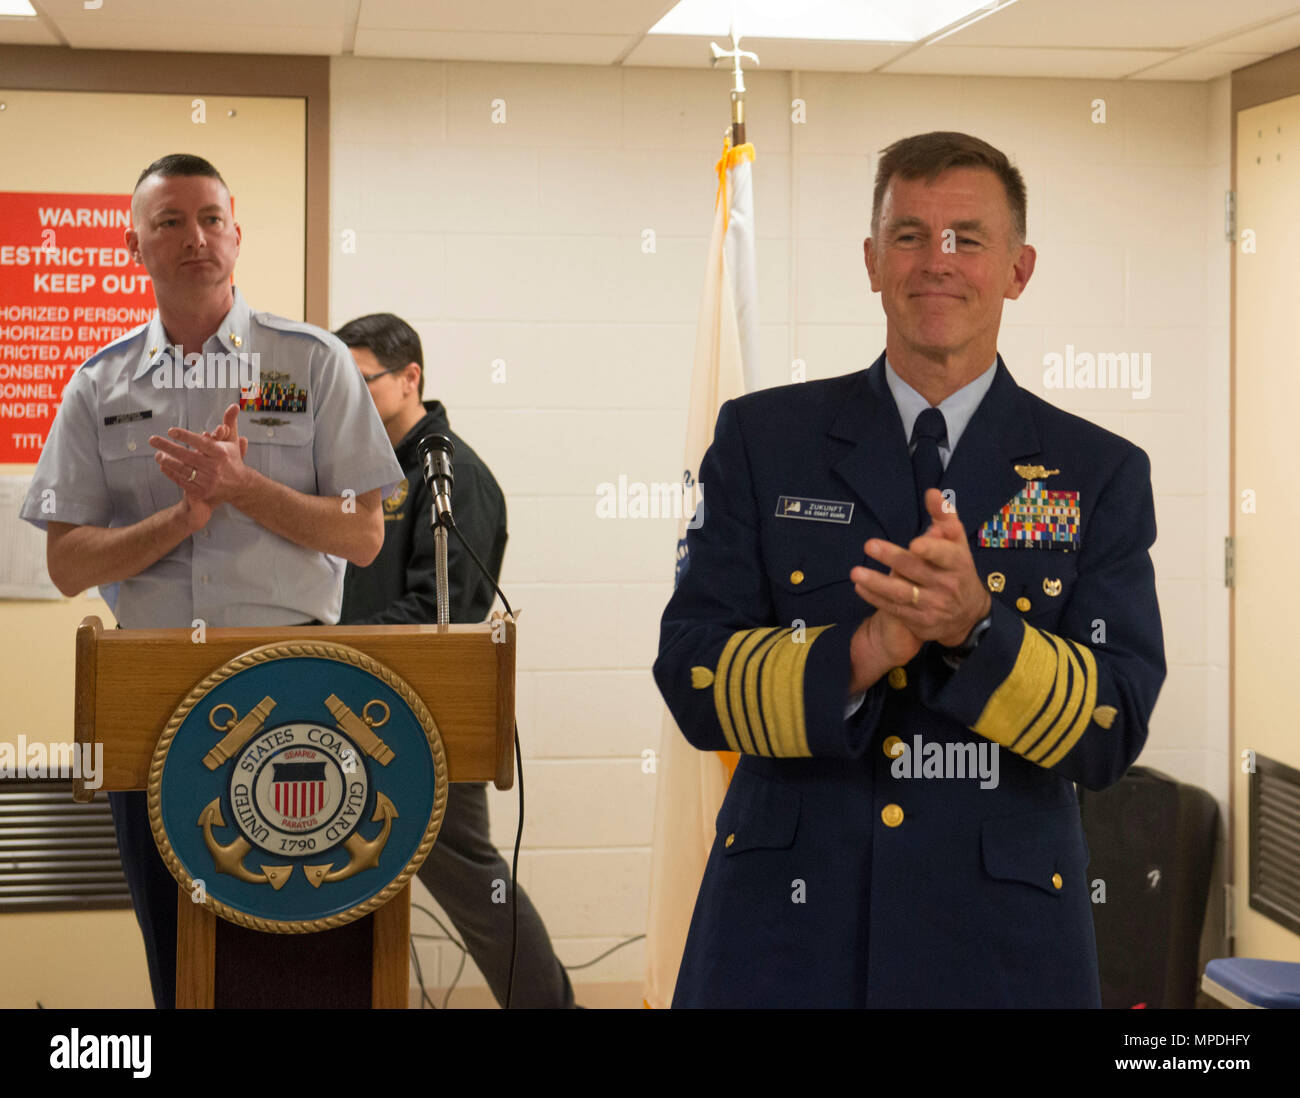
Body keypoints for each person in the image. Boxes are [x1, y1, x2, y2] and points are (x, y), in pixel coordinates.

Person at [653, 131, 1166, 1008]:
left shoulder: (1098, 470)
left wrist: (977, 632)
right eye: (909, 235)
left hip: (998, 941)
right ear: (870, 260)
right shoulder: (762, 440)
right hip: (785, 927)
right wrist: (862, 650)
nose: (939, 261)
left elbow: (1110, 726)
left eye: (968, 237)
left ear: (1018, 269)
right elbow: (695, 672)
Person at [20, 154, 402, 1008]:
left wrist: (243, 490)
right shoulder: (97, 385)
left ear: (236, 233)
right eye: (168, 222)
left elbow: (365, 536)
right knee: (175, 937)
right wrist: (179, 522)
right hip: (151, 691)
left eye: (210, 218)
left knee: (295, 930)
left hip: (295, 682)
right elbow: (68, 564)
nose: (195, 238)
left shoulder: (312, 363)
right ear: (133, 246)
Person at [334, 312, 574, 1009]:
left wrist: (328, 646)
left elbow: (442, 610)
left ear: (410, 379)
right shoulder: (361, 473)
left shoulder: (452, 477)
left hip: (427, 714)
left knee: (471, 880)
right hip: (353, 703)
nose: (348, 403)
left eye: (362, 383)